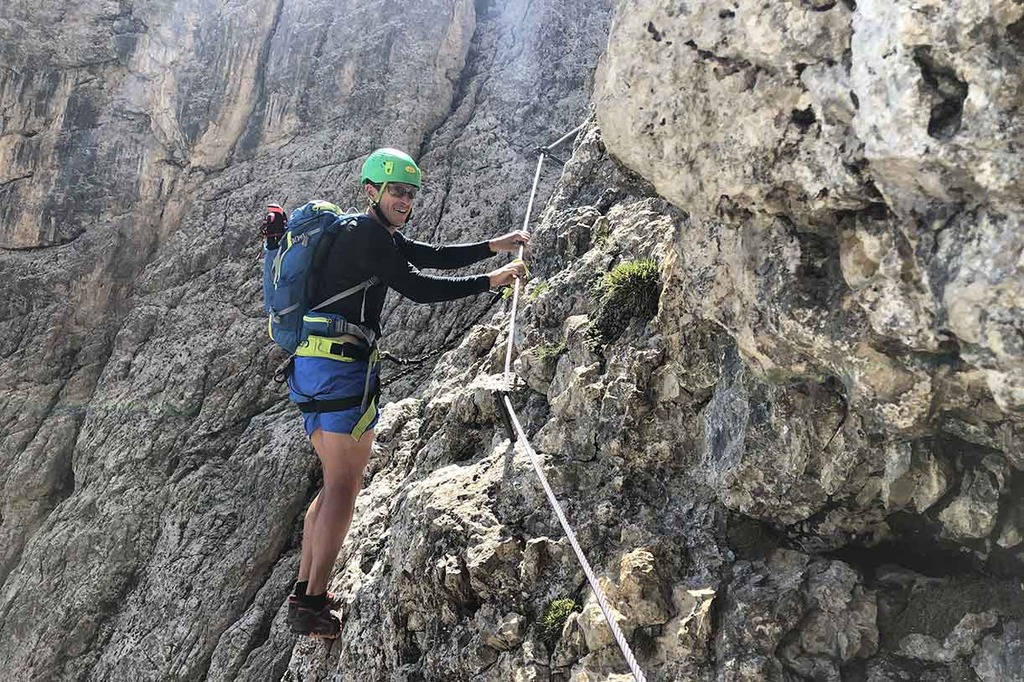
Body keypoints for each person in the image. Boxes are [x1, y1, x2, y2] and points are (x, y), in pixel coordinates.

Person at [286, 148, 528, 638]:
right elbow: (415, 286)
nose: (405, 199)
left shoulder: (368, 232)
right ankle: (311, 604)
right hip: (340, 370)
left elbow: (425, 254)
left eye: (412, 192)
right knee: (342, 487)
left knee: (332, 481)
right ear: (371, 190)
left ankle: (304, 592)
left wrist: (493, 246)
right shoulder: (367, 235)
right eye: (396, 190)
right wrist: (489, 282)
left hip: (314, 366)